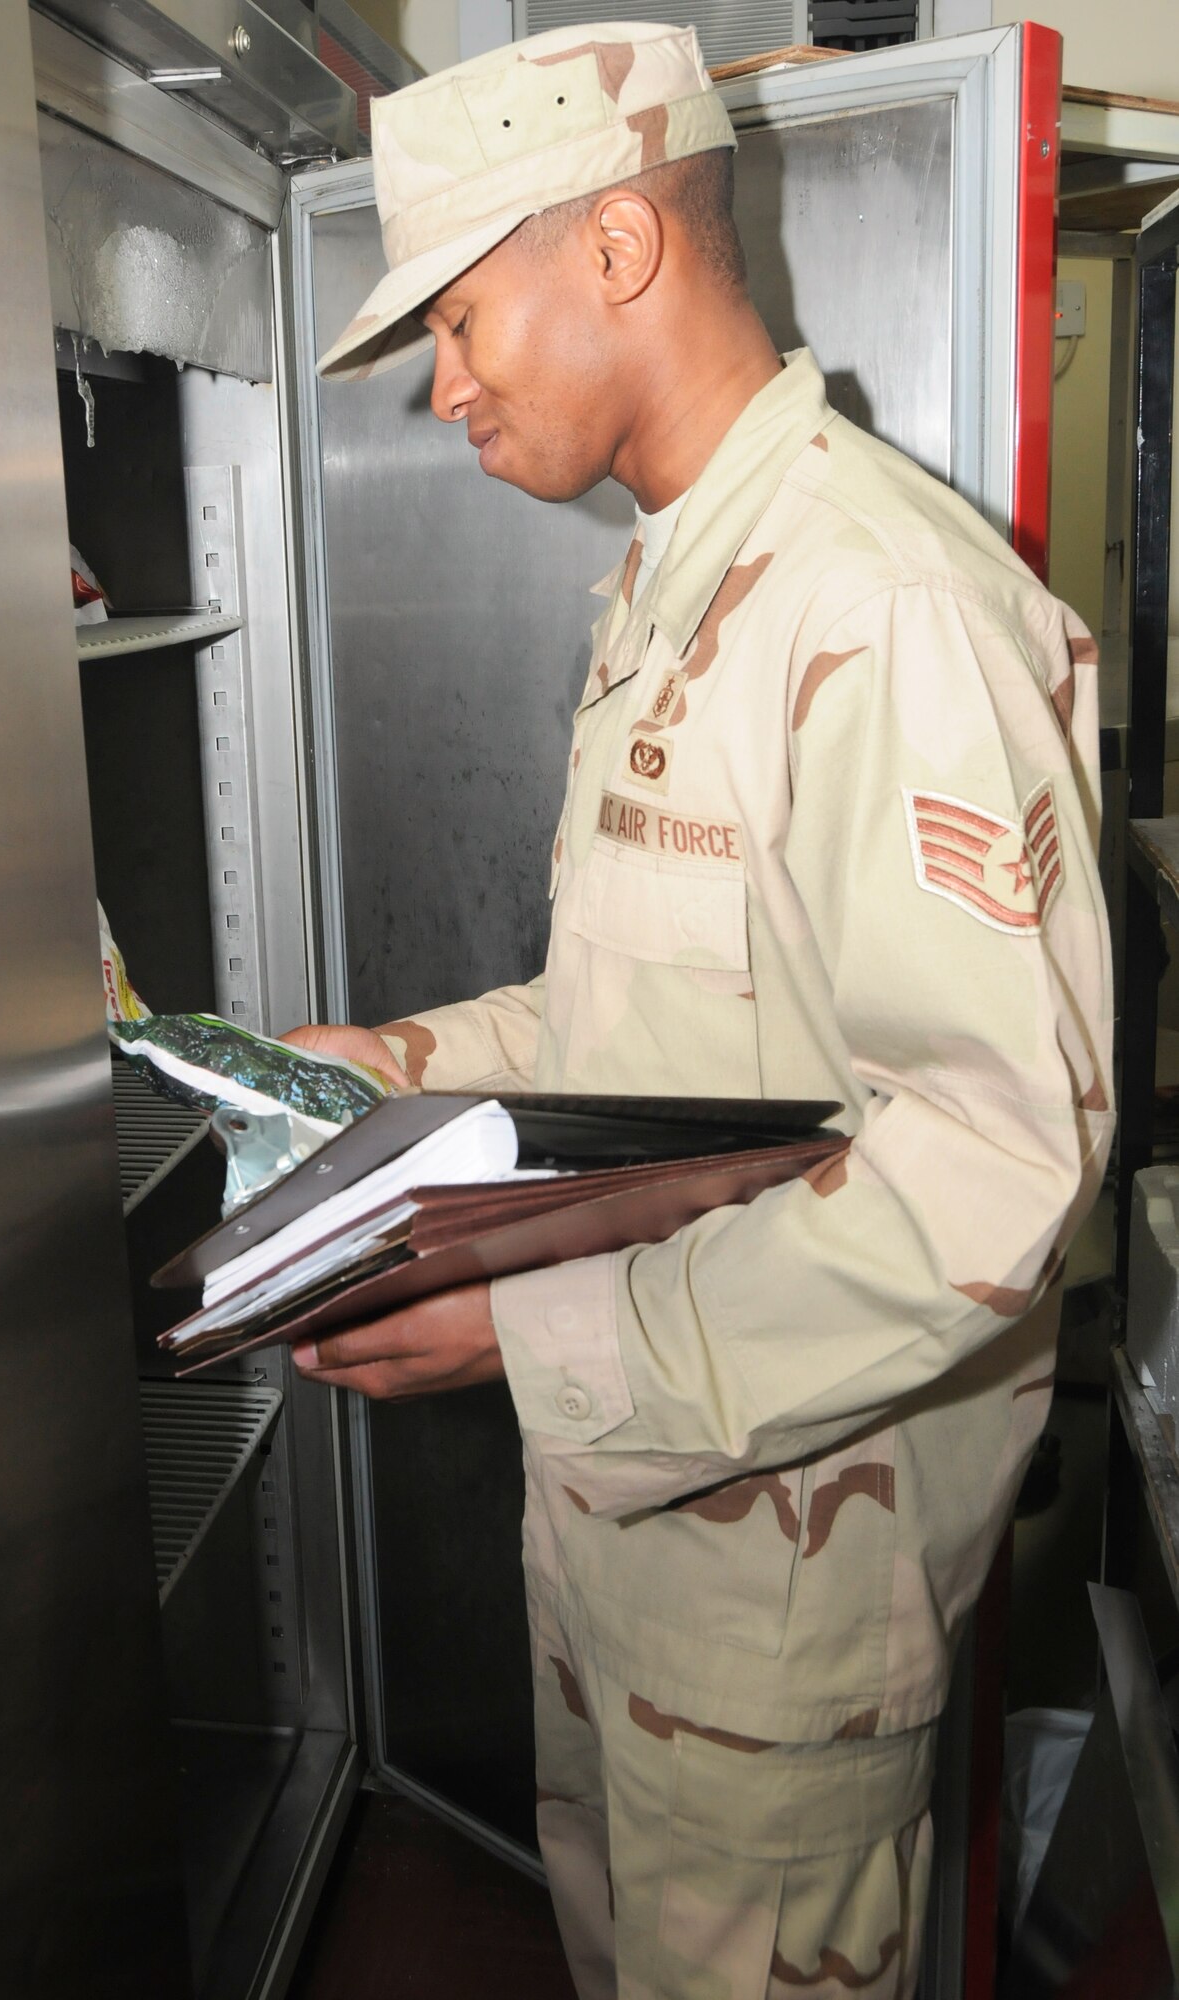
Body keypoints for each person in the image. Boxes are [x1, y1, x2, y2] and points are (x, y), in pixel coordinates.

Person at [285, 22, 1114, 1999]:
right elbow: (659, 1040)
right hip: (637, 1563)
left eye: (465, 317)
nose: (441, 384)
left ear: (624, 252)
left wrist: (531, 1327)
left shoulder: (872, 604)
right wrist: (380, 1073)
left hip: (779, 1621)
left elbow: (994, 1175)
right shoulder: (685, 585)